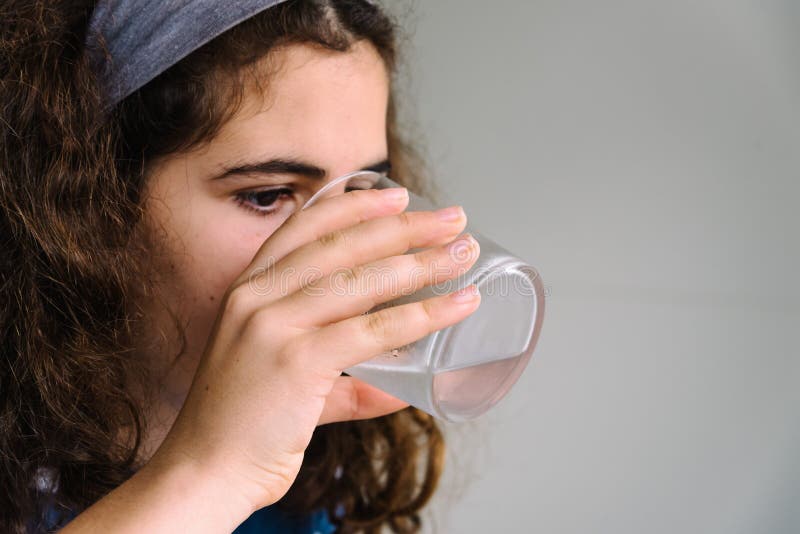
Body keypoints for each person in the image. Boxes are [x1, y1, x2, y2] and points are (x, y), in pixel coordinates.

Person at [0, 0, 482, 532]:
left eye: (363, 191)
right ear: (93, 204)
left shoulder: (313, 469)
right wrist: (212, 473)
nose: (347, 249)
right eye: (269, 195)